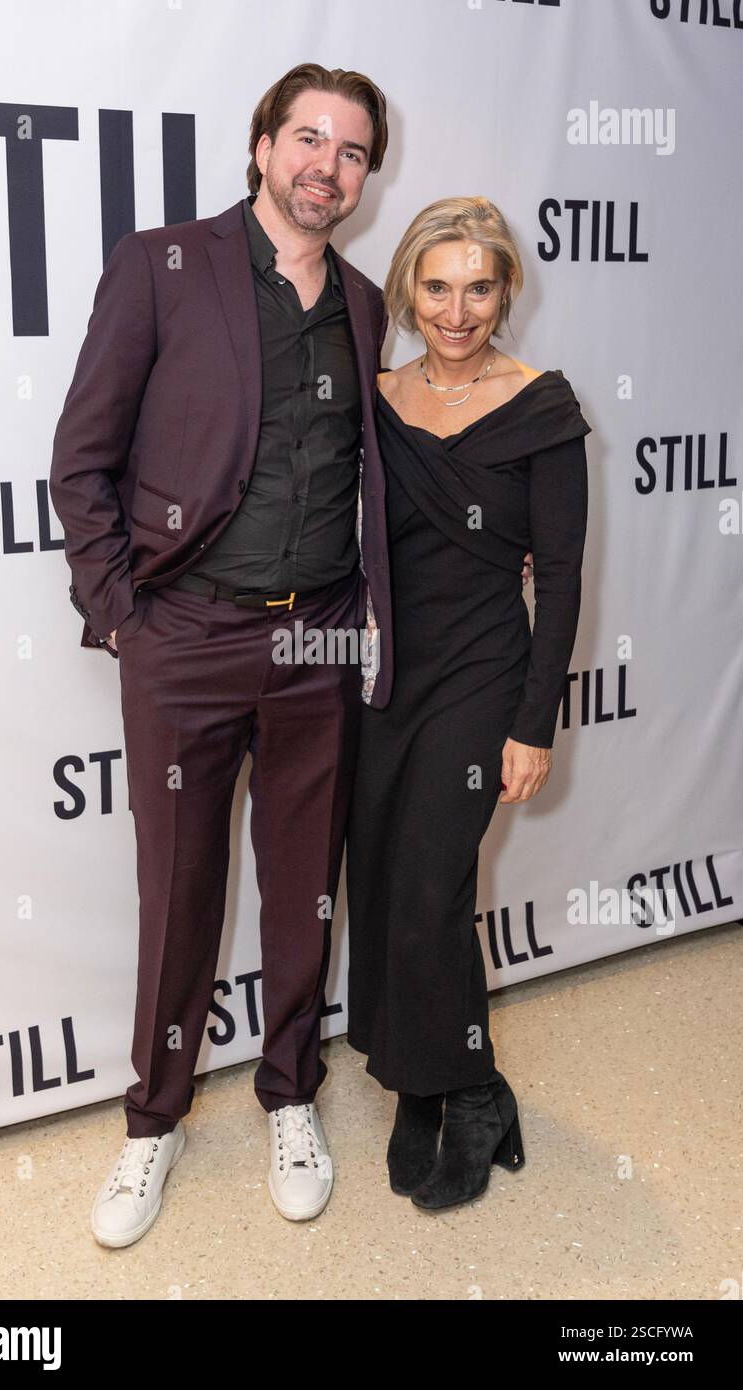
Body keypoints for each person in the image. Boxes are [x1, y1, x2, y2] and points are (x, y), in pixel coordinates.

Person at [49, 63, 394, 1243]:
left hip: (316, 639)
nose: (326, 167)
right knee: (177, 893)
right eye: (307, 139)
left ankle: (291, 1093)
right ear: (260, 147)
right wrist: (123, 619)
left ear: (363, 177)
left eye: (350, 152)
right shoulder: (164, 266)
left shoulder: (359, 302)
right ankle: (153, 1120)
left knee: (303, 890)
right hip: (184, 634)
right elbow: (81, 456)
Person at [345, 196, 592, 1212]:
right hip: (383, 675)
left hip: (483, 671)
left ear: (505, 290)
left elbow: (564, 577)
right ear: (406, 290)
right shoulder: (375, 396)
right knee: (377, 877)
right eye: (436, 287)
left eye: (477, 288)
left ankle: (470, 1089)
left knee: (430, 887)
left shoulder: (540, 406)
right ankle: (418, 1078)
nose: (456, 311)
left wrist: (532, 722)